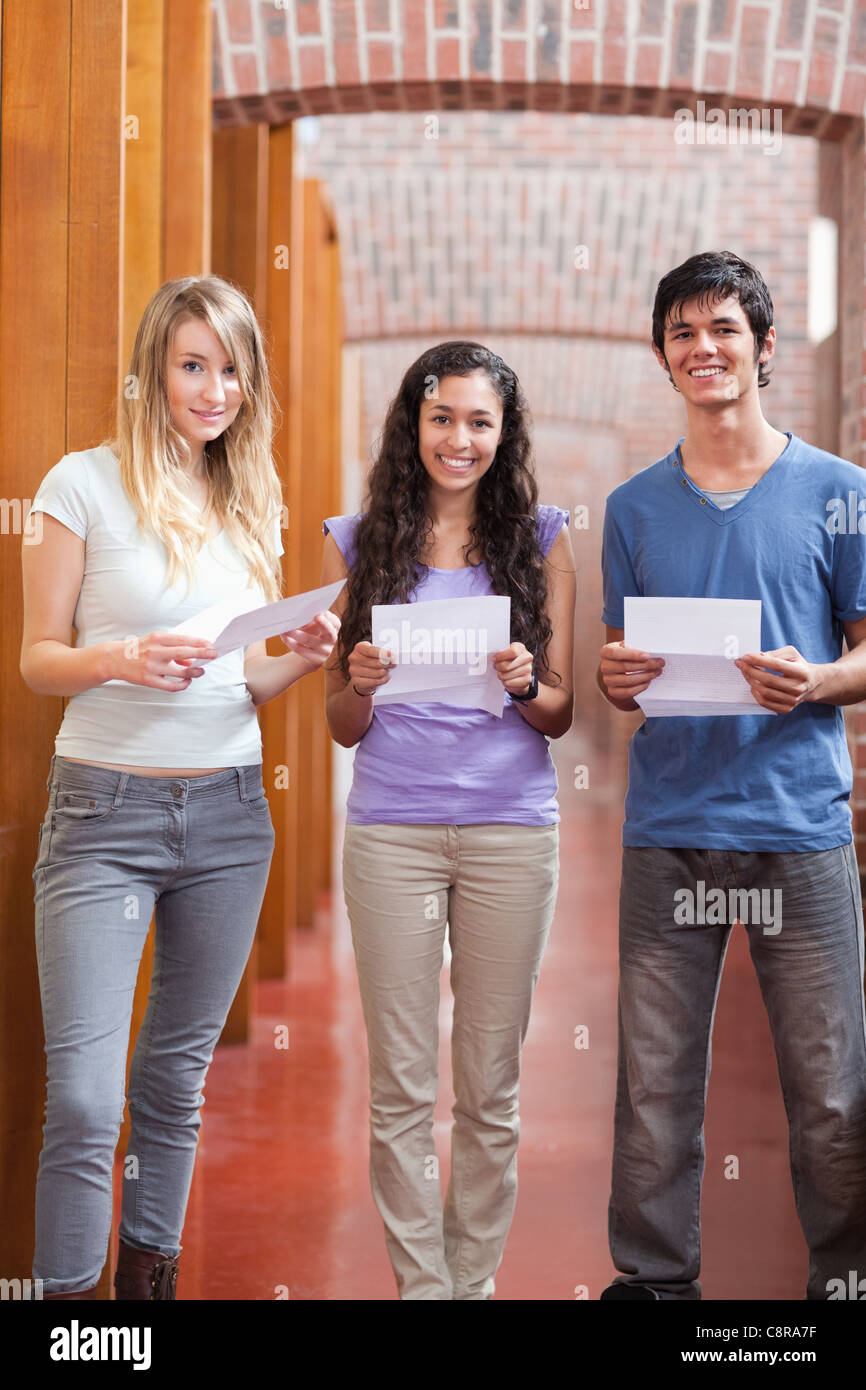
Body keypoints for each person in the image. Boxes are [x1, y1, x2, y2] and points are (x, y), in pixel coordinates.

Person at [21, 275, 339, 1300]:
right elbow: (36, 659)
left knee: (173, 1082)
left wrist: (303, 652)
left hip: (229, 818)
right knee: (82, 1097)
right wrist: (118, 658)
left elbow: (244, 678)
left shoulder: (254, 496)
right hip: (102, 814)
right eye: (193, 364)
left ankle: (146, 1297)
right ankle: (71, 1311)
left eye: (231, 368)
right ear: (155, 366)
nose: (213, 389)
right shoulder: (80, 483)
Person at [597, 250, 866, 1300]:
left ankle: (840, 1284)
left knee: (833, 1091)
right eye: (680, 334)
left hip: (797, 826)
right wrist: (615, 676)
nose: (700, 349)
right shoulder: (630, 508)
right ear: (663, 356)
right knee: (653, 1088)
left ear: (761, 347)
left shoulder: (838, 494)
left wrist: (818, 680)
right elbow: (624, 670)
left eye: (721, 330)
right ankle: (654, 1286)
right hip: (667, 827)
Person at [320, 340, 576, 1300]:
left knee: (490, 1086)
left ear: (503, 434)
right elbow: (342, 730)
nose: (458, 439)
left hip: (513, 830)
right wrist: (358, 682)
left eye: (480, 422)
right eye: (442, 418)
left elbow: (561, 711)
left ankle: (472, 1286)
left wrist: (522, 685)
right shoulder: (361, 542)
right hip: (392, 831)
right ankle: (422, 1291)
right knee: (400, 1085)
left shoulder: (543, 537)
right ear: (412, 423)